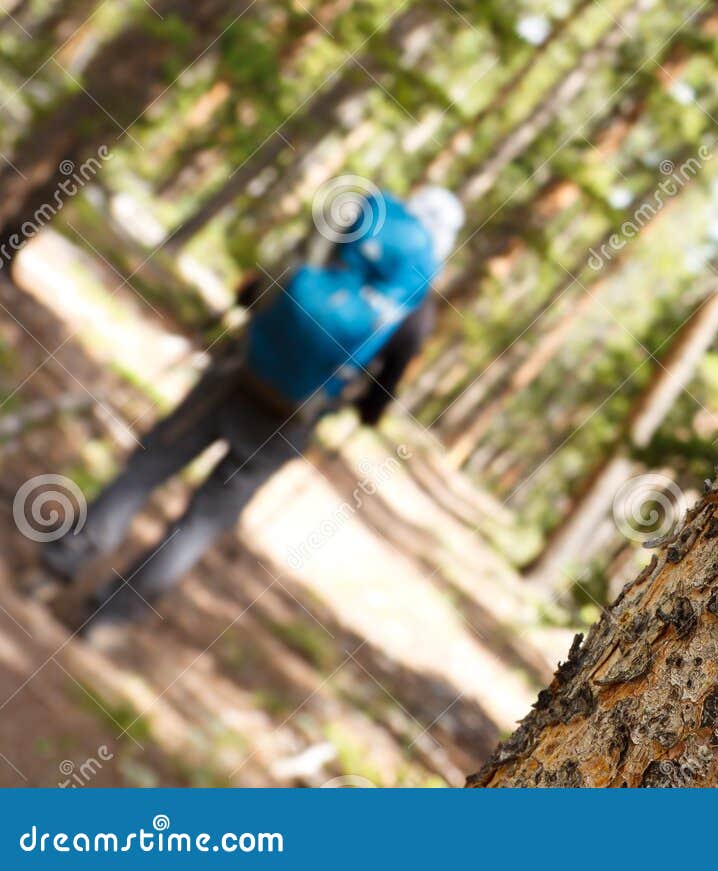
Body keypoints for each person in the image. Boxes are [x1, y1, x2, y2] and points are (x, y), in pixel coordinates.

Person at [35, 186, 464, 633]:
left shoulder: (356, 234)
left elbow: (275, 280)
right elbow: (381, 392)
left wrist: (253, 309)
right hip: (291, 418)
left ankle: (57, 565)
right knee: (201, 522)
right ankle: (106, 620)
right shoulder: (416, 309)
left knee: (149, 465)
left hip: (240, 371)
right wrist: (362, 411)